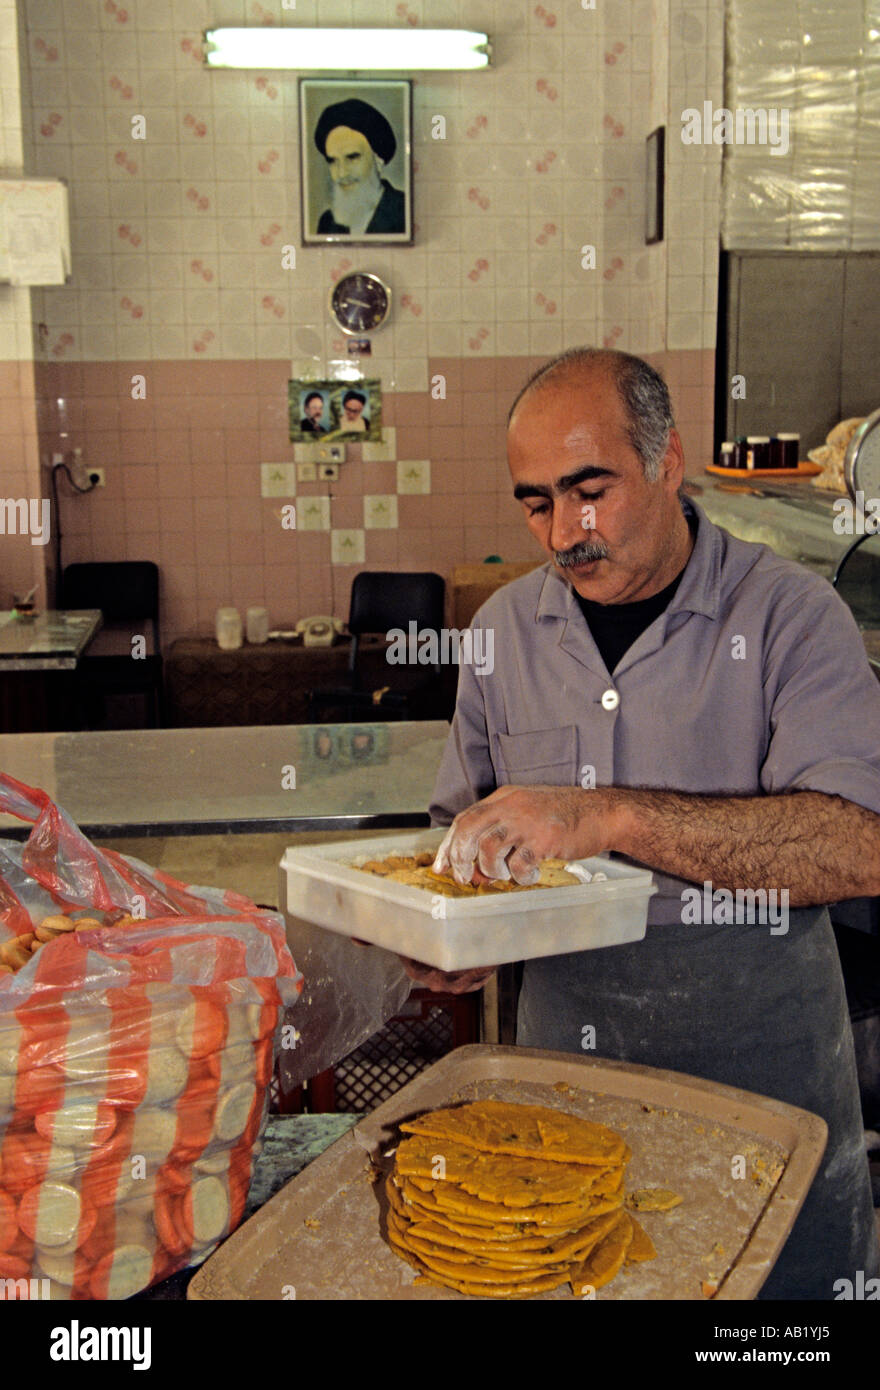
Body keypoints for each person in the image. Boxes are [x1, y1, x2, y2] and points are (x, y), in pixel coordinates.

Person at [404, 345, 880, 1300]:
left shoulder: (791, 616)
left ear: (669, 463)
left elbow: (855, 845)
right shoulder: (500, 634)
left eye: (591, 490)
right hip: (564, 1088)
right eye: (536, 502)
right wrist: (454, 933)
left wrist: (609, 815)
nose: (564, 531)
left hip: (764, 1084)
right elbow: (464, 840)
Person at [313, 98, 405, 236]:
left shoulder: (405, 212)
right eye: (332, 161)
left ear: (378, 160)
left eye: (352, 157)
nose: (342, 173)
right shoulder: (328, 222)